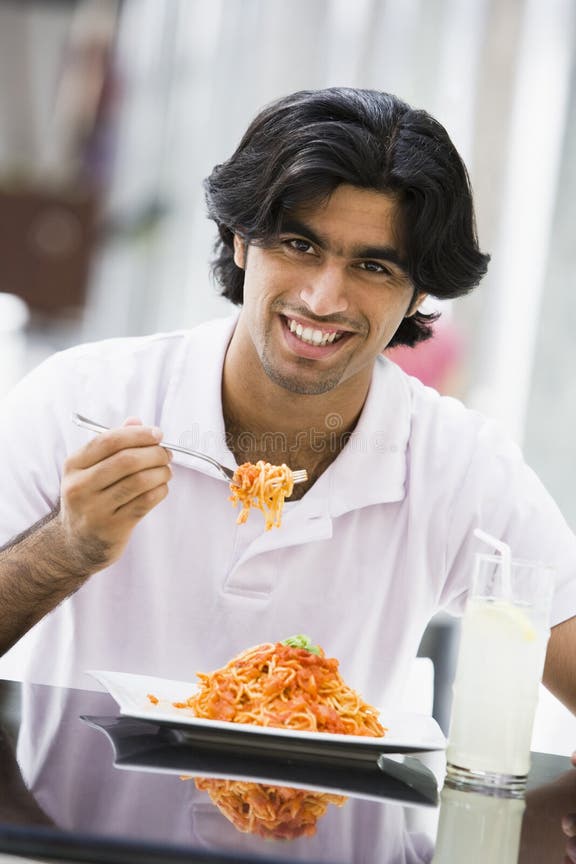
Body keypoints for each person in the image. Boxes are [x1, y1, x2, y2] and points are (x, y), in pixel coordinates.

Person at [0, 88, 575, 717]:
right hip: (64, 814)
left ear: (418, 295)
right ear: (242, 241)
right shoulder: (82, 398)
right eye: (300, 246)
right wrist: (67, 547)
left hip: (329, 816)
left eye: (375, 268)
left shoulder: (458, 464)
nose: (324, 299)